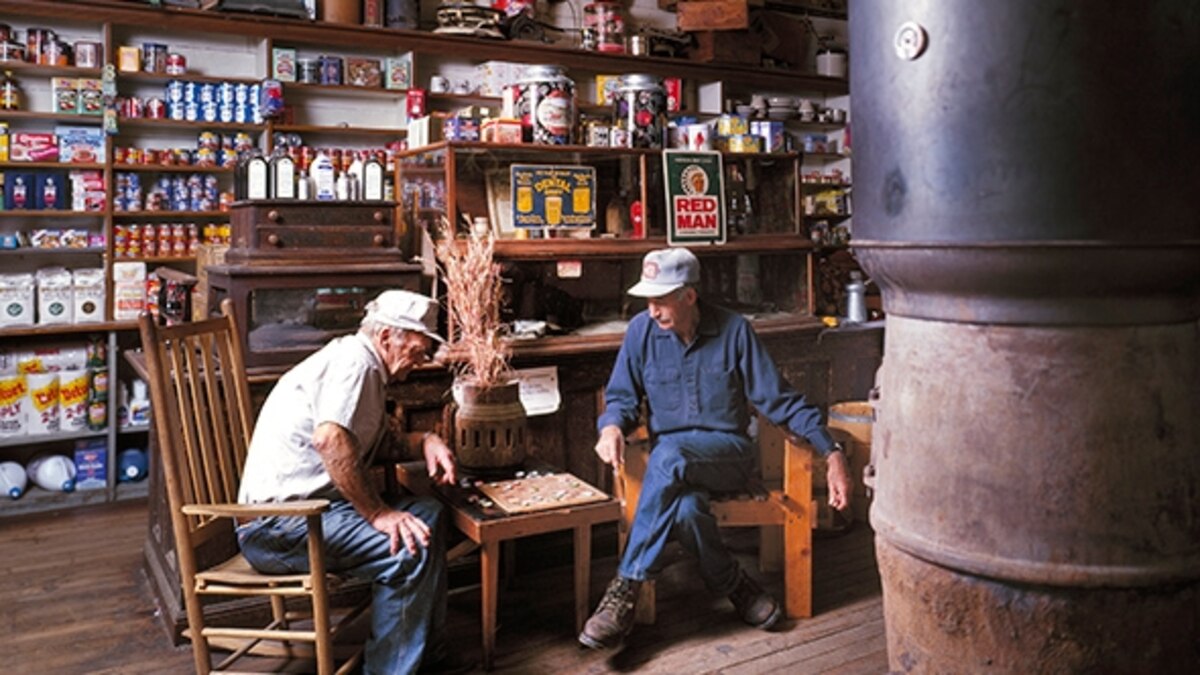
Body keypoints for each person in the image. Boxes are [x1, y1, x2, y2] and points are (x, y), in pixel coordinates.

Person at [579, 248, 852, 650]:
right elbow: (621, 397)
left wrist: (832, 453)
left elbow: (780, 400)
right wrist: (611, 428)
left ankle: (626, 587)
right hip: (672, 469)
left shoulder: (735, 330)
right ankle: (738, 587)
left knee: (668, 455)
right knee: (687, 509)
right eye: (648, 300)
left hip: (728, 455)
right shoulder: (640, 332)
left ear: (689, 295)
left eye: (660, 299)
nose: (652, 310)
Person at [237, 289, 461, 674]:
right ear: (387, 337)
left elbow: (377, 442)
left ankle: (424, 656)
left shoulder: (364, 365)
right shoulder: (355, 365)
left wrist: (427, 440)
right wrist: (377, 514)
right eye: (419, 349)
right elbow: (330, 440)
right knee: (408, 549)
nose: (422, 360)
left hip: (309, 514)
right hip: (278, 526)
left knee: (428, 514)